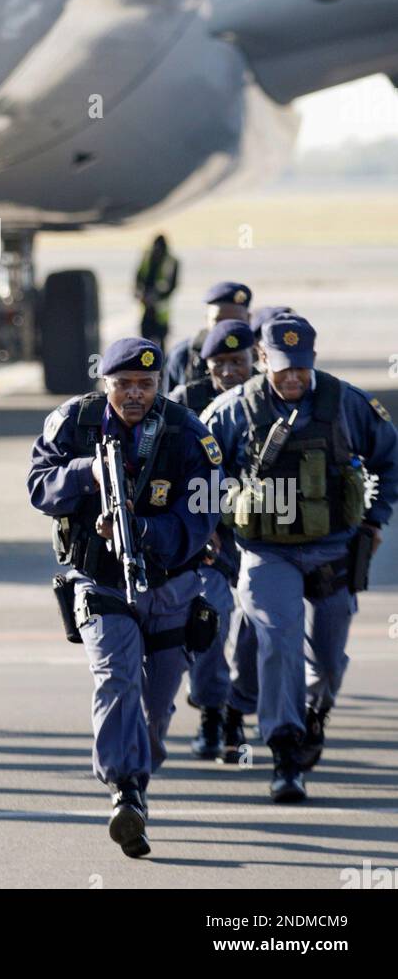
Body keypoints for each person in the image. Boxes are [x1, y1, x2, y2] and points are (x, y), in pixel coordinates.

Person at [28, 337, 218, 857]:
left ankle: (140, 769)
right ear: (104, 382)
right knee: (116, 677)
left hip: (170, 584)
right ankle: (124, 791)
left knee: (155, 710)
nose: (134, 394)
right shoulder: (73, 423)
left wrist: (146, 532)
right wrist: (86, 475)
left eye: (145, 384)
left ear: (158, 385)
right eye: (123, 384)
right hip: (101, 580)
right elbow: (37, 485)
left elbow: (203, 511)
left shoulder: (186, 432)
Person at [204, 316, 398, 802]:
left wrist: (375, 521)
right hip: (267, 553)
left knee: (328, 660)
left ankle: (315, 714)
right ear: (264, 359)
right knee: (277, 642)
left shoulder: (344, 403)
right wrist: (209, 531)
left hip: (334, 549)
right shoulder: (232, 411)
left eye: (302, 369)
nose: (293, 378)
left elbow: (389, 458)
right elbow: (197, 467)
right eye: (283, 368)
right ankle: (285, 753)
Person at [171, 319, 257, 761]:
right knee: (208, 619)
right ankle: (209, 709)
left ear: (254, 360)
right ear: (205, 366)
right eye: (218, 363)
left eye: (237, 361)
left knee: (257, 626)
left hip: (264, 537)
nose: (228, 371)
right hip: (209, 540)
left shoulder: (271, 401)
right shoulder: (185, 406)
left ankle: (237, 711)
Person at [163, 281, 251, 392]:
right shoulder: (184, 355)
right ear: (206, 319)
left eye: (235, 321)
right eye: (218, 321)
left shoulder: (261, 353)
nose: (227, 327)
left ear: (248, 319)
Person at [133, 236, 179, 348]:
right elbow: (138, 277)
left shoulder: (170, 262)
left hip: (160, 308)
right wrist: (140, 294)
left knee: (161, 341)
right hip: (146, 307)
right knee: (144, 341)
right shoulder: (147, 258)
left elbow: (172, 285)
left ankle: (161, 363)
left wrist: (156, 298)